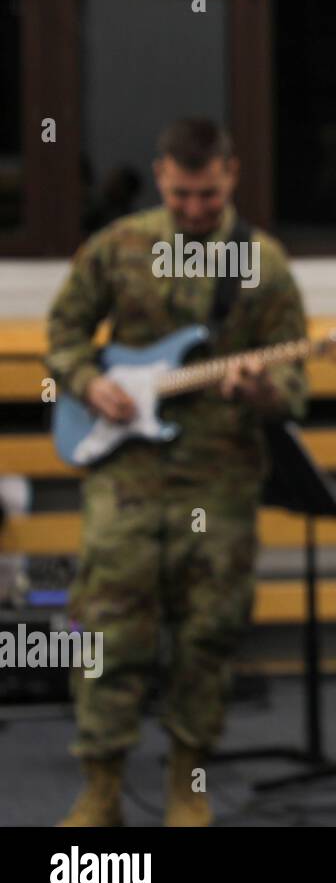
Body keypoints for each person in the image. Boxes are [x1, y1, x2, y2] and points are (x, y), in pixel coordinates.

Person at [46, 119, 308, 826]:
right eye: (185, 192)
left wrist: (259, 390)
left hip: (219, 482)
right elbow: (64, 333)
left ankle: (187, 780)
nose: (196, 207)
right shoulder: (117, 247)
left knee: (208, 635)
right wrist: (84, 380)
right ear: (161, 175)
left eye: (210, 194)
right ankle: (101, 783)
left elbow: (295, 385)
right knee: (102, 630)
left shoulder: (265, 265)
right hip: (124, 473)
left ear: (233, 177)